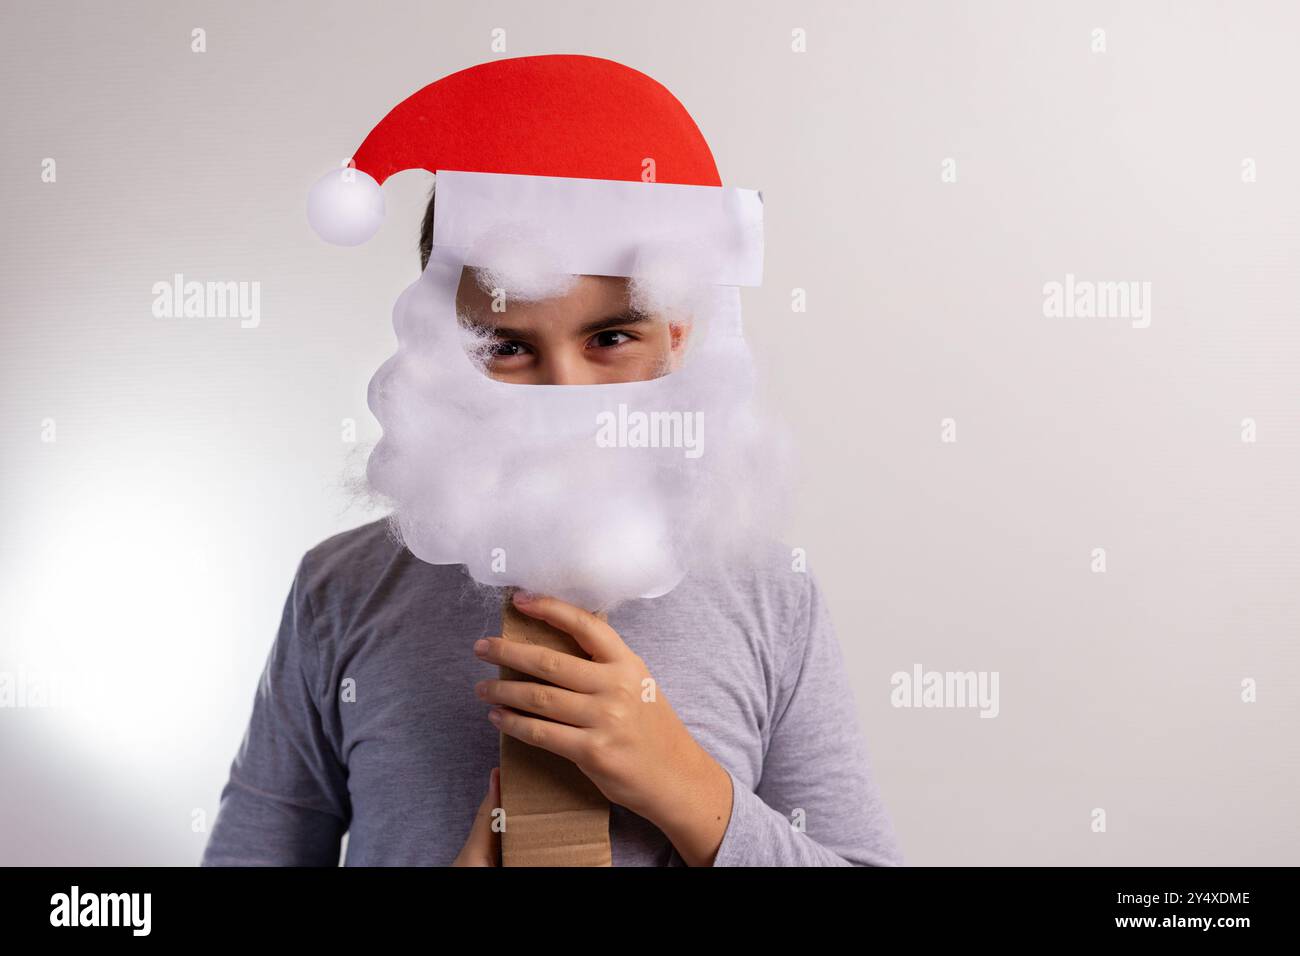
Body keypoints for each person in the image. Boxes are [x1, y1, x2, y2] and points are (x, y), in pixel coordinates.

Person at [199, 183, 903, 867]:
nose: (565, 391)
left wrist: (689, 790)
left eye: (611, 336)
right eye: (507, 347)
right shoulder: (342, 589)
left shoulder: (772, 596)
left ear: (678, 338)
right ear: (441, 354)